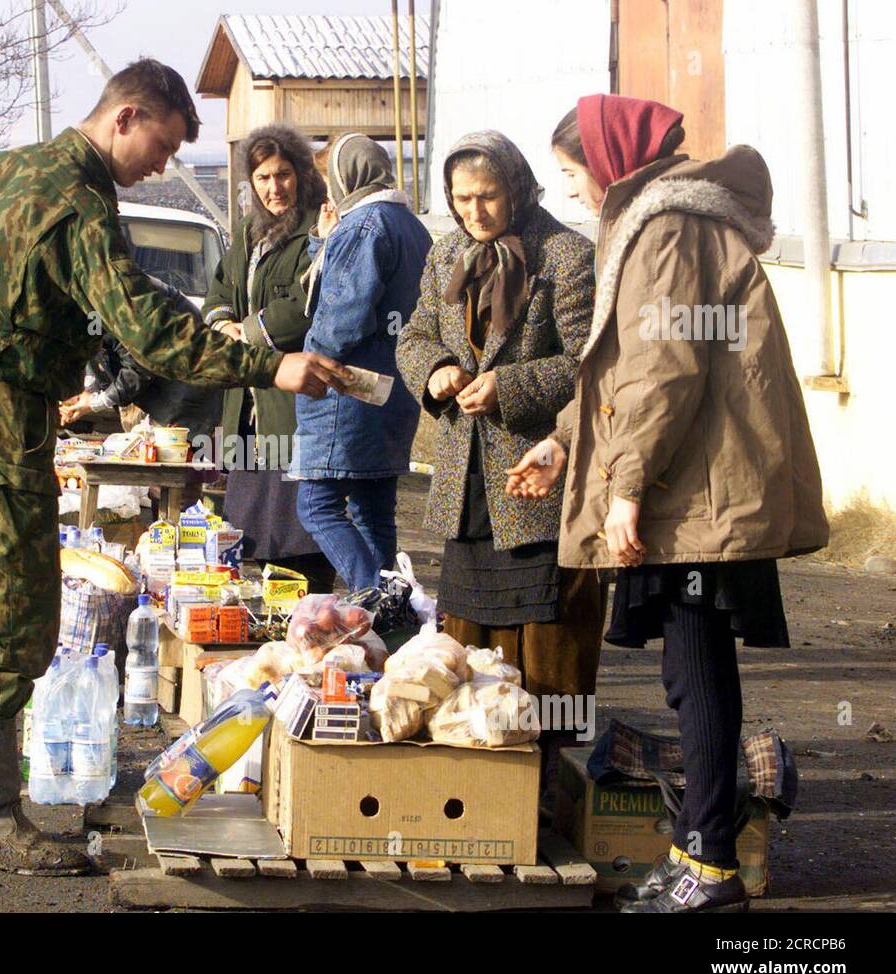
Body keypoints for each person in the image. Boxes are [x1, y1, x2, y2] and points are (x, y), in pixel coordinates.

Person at [0, 60, 348, 875]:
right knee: (5, 615)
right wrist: (267, 366)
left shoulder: (0, 170)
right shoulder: (81, 195)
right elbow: (146, 326)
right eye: (163, 145)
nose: (163, 166)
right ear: (126, 115)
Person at [506, 95, 828, 912]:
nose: (573, 193)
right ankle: (697, 852)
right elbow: (618, 368)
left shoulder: (667, 228)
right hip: (689, 490)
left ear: (610, 160)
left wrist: (623, 492)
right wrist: (564, 441)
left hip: (695, 497)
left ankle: (713, 866)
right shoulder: (656, 223)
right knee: (692, 673)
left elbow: (664, 372)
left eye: (574, 174)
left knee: (698, 675)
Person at [395, 130, 605, 790]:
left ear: (516, 188)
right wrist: (432, 372)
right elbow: (415, 335)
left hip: (535, 480)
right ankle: (472, 783)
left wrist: (510, 386)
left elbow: (592, 365)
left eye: (487, 197)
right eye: (461, 199)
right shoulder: (447, 253)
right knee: (466, 648)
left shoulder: (566, 257)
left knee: (542, 646)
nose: (474, 213)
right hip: (465, 483)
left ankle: (540, 791)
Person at [289, 134, 431, 591]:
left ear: (345, 176)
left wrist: (310, 359)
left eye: (328, 178)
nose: (326, 191)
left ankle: (374, 596)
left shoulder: (364, 225)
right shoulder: (410, 224)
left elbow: (340, 318)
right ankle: (393, 618)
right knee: (374, 511)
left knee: (316, 505)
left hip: (348, 392)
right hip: (395, 390)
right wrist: (324, 242)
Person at [203, 125, 336, 592]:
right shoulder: (246, 232)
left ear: (300, 174)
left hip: (294, 407)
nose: (273, 187)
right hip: (247, 408)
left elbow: (311, 298)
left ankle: (311, 620)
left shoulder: (316, 229)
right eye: (262, 177)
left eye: (282, 175)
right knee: (251, 531)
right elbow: (218, 291)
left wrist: (252, 332)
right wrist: (222, 325)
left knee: (299, 532)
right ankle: (269, 629)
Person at [60, 276, 222, 441]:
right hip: (149, 387)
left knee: (176, 452)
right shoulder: (84, 306)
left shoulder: (114, 298)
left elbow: (138, 367)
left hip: (183, 383)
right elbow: (95, 350)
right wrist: (86, 391)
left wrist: (94, 403)